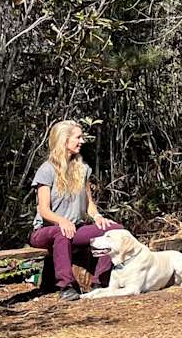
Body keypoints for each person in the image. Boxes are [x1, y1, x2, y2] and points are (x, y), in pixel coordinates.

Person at [28, 120, 119, 301]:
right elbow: (44, 210)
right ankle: (65, 286)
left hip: (75, 229)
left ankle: (98, 282)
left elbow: (89, 204)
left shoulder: (82, 169)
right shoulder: (46, 170)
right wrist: (61, 221)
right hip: (46, 231)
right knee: (62, 233)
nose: (82, 141)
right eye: (78, 137)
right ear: (64, 140)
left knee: (115, 230)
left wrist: (98, 216)